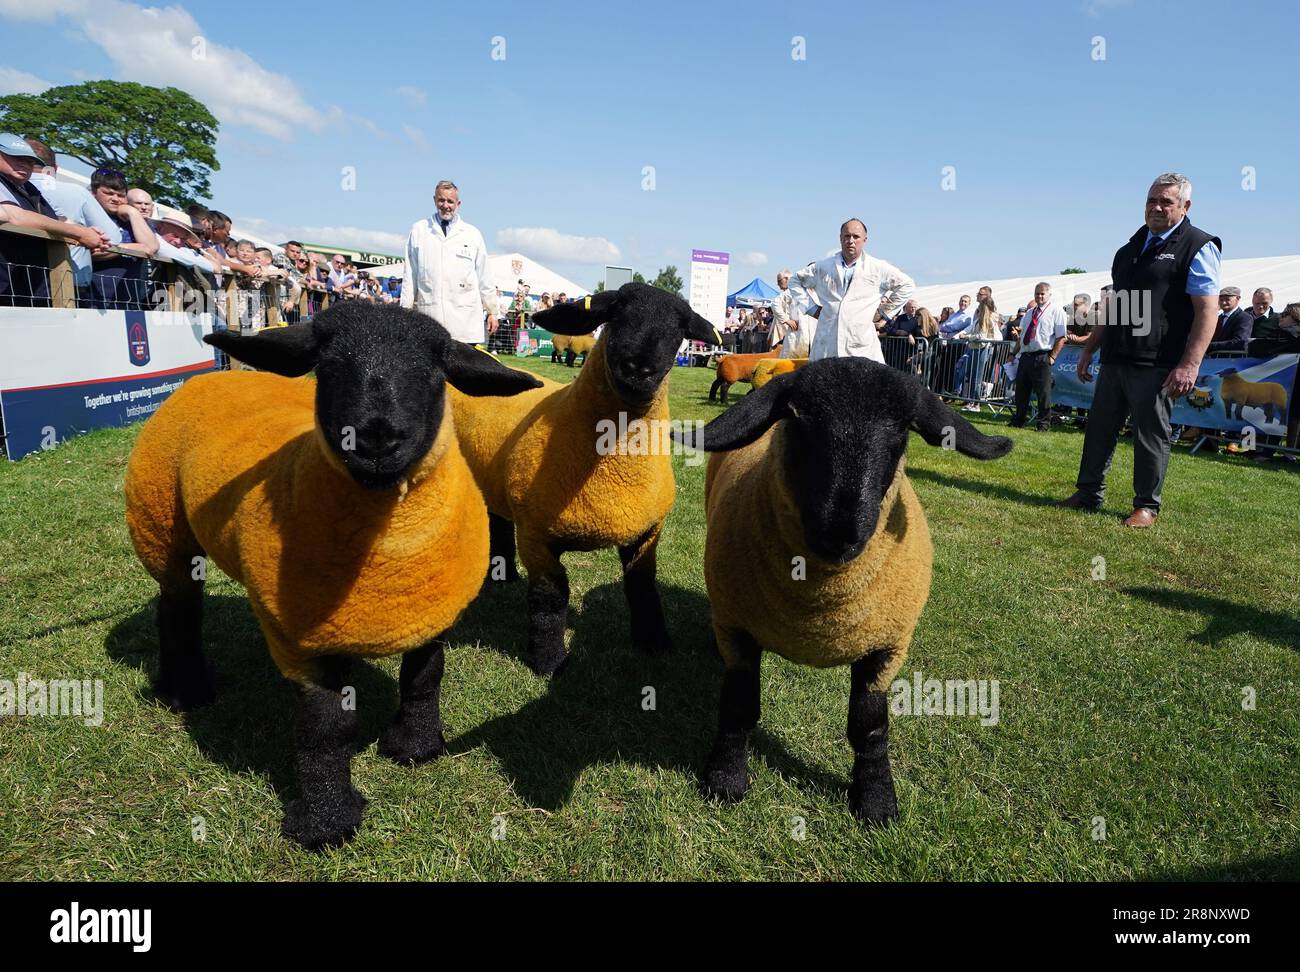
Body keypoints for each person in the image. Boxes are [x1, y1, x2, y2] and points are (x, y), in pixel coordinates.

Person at [1059, 172, 1221, 527]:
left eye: (1166, 201)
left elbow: (1207, 311)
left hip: (1158, 362)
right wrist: (1090, 350)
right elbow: (1115, 303)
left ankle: (1146, 506)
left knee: (1150, 435)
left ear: (1185, 206)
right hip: (1116, 357)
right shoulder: (1129, 250)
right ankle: (1088, 492)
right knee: (1099, 429)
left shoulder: (1198, 245)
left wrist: (1189, 365)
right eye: (1152, 200)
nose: (1157, 207)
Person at [789, 217, 915, 362]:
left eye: (856, 236)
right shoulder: (823, 267)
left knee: (863, 382)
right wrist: (811, 308)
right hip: (827, 341)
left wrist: (884, 312)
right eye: (847, 236)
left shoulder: (877, 267)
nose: (851, 240)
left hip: (861, 343)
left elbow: (907, 285)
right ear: (840, 238)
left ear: (865, 239)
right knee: (825, 382)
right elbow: (794, 281)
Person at [401, 179, 495, 344]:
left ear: (458, 203)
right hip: (430, 317)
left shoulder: (472, 234)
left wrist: (492, 311)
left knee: (465, 369)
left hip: (465, 321)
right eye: (441, 200)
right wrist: (404, 312)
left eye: (450, 201)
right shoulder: (419, 230)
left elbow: (484, 275)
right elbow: (410, 274)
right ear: (434, 200)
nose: (445, 205)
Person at [1009, 282, 1069, 431]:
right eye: (1037, 293)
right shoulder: (1029, 313)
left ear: (1049, 294)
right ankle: (1019, 419)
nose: (1039, 296)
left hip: (1042, 356)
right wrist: (1013, 353)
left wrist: (1052, 357)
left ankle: (1043, 423)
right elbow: (1023, 336)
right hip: (1026, 356)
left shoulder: (1056, 311)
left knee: (1043, 393)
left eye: (1042, 293)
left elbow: (1062, 337)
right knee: (1021, 392)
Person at [1207, 285, 1254, 354]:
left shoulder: (1244, 317)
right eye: (1221, 300)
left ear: (1237, 298)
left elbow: (1239, 342)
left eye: (1227, 299)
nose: (1223, 302)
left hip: (1231, 360)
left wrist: (1210, 346)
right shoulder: (1219, 318)